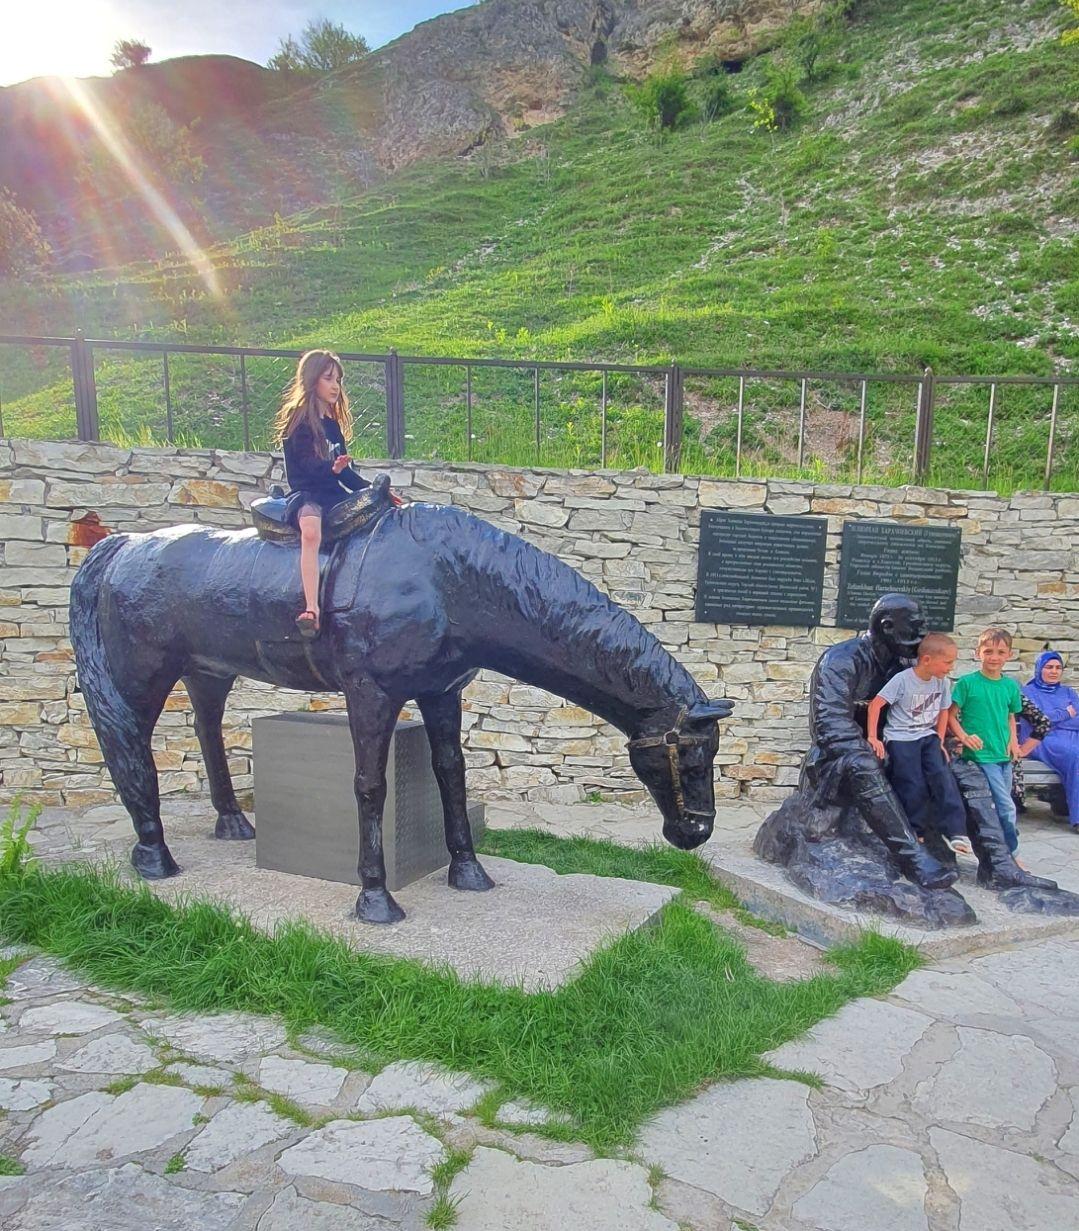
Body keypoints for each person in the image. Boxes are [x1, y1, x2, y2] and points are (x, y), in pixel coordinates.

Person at [801, 593, 957, 889]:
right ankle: (913, 858)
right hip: (839, 764)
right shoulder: (840, 660)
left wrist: (939, 742)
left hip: (900, 749)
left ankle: (999, 862)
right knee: (865, 763)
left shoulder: (908, 662)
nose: (922, 636)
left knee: (955, 759)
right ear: (887, 626)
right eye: (915, 628)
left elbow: (928, 709)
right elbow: (829, 727)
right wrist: (875, 750)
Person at [274, 349, 369, 638]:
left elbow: (346, 474)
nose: (335, 385)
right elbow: (306, 466)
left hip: (333, 494)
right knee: (312, 531)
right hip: (308, 495)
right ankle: (311, 609)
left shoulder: (332, 426)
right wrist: (332, 469)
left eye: (338, 379)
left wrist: (375, 492)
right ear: (313, 379)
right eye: (329, 378)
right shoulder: (298, 422)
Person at [866, 631, 972, 855]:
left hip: (927, 737)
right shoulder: (903, 680)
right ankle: (915, 831)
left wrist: (940, 739)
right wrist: (873, 737)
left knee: (943, 775)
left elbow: (944, 710)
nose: (950, 668)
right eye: (947, 662)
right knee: (912, 782)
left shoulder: (942, 683)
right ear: (927, 660)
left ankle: (955, 831)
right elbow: (876, 705)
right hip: (901, 737)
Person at [949, 628, 1023, 854]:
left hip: (1003, 754)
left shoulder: (1010, 686)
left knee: (1002, 806)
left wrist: (1014, 742)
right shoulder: (967, 683)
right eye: (988, 651)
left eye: (1001, 652)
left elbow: (1010, 716)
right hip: (982, 755)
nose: (994, 657)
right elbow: (950, 715)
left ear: (1009, 655)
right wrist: (964, 737)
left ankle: (998, 846)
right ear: (977, 653)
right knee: (1006, 806)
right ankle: (1011, 854)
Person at [1021, 651, 1079, 833]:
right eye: (1049, 667)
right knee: (1075, 755)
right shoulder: (1027, 692)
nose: (1054, 671)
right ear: (1039, 669)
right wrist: (1065, 714)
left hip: (1070, 736)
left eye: (1058, 667)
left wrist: (1057, 719)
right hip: (1039, 739)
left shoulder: (1068, 692)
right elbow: (1039, 720)